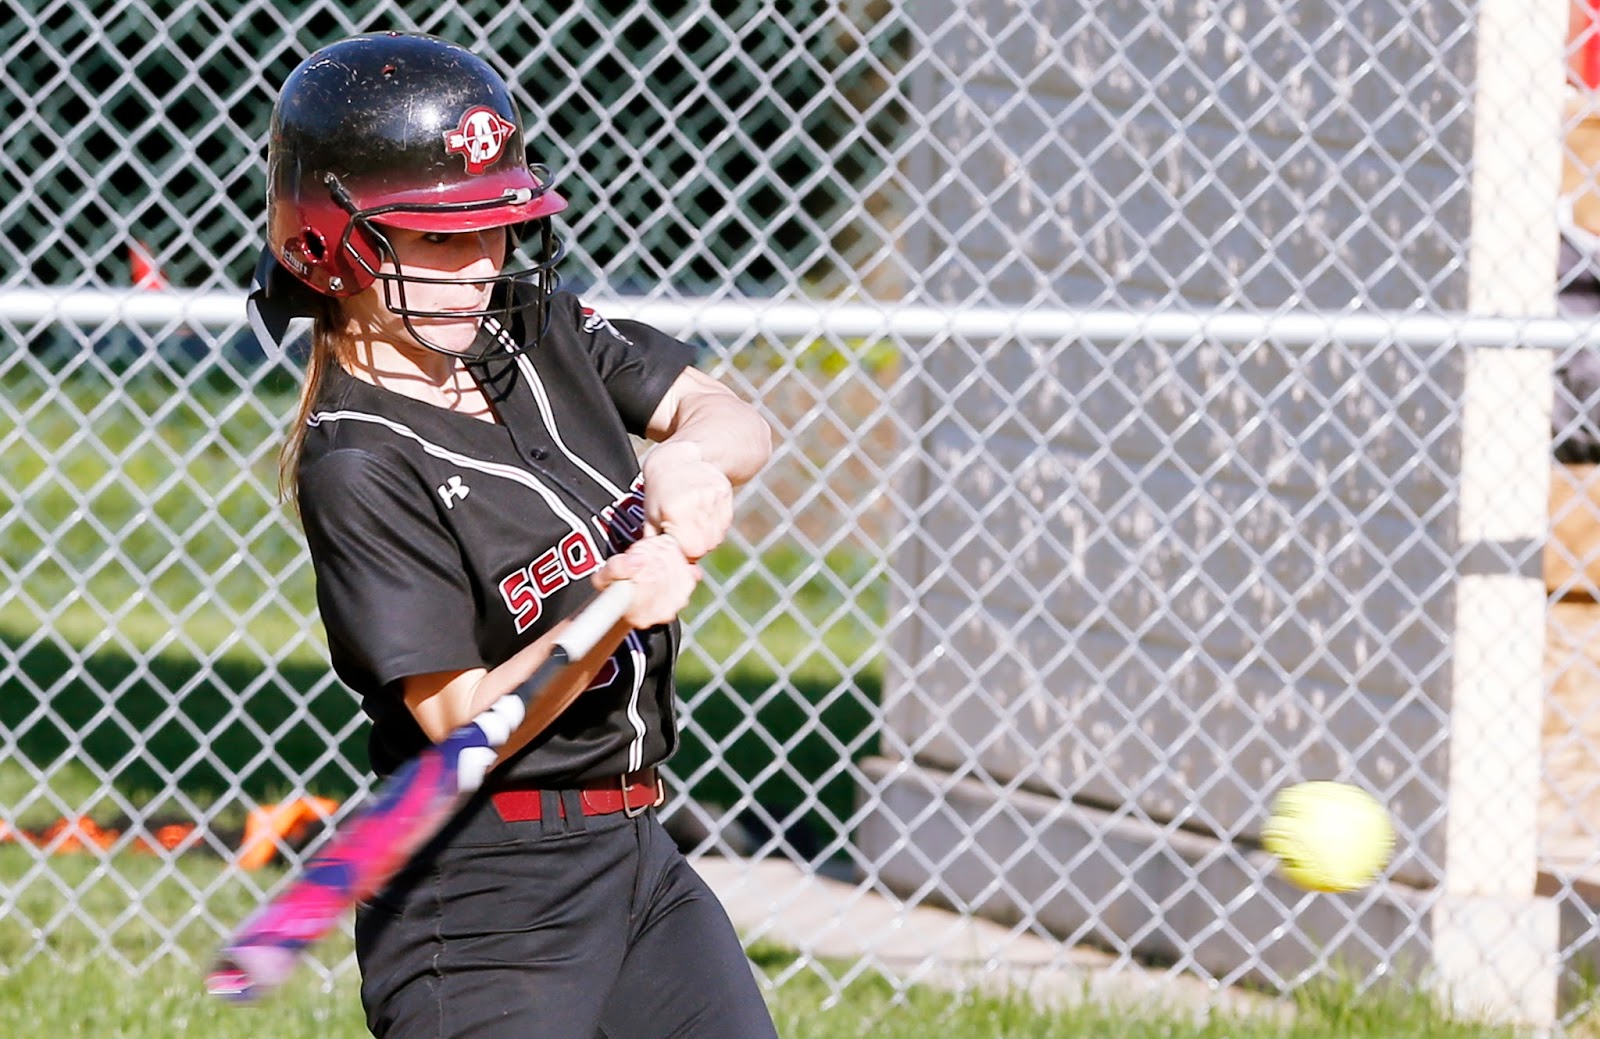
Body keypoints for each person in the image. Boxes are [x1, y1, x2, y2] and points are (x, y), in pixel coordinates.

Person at [246, 31, 779, 1039]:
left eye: (497, 228)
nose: (481, 264)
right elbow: (463, 718)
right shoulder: (358, 461)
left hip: (636, 853)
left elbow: (729, 415)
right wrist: (614, 605)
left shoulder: (536, 333)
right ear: (329, 242)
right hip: (486, 898)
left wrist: (691, 460)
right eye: (440, 240)